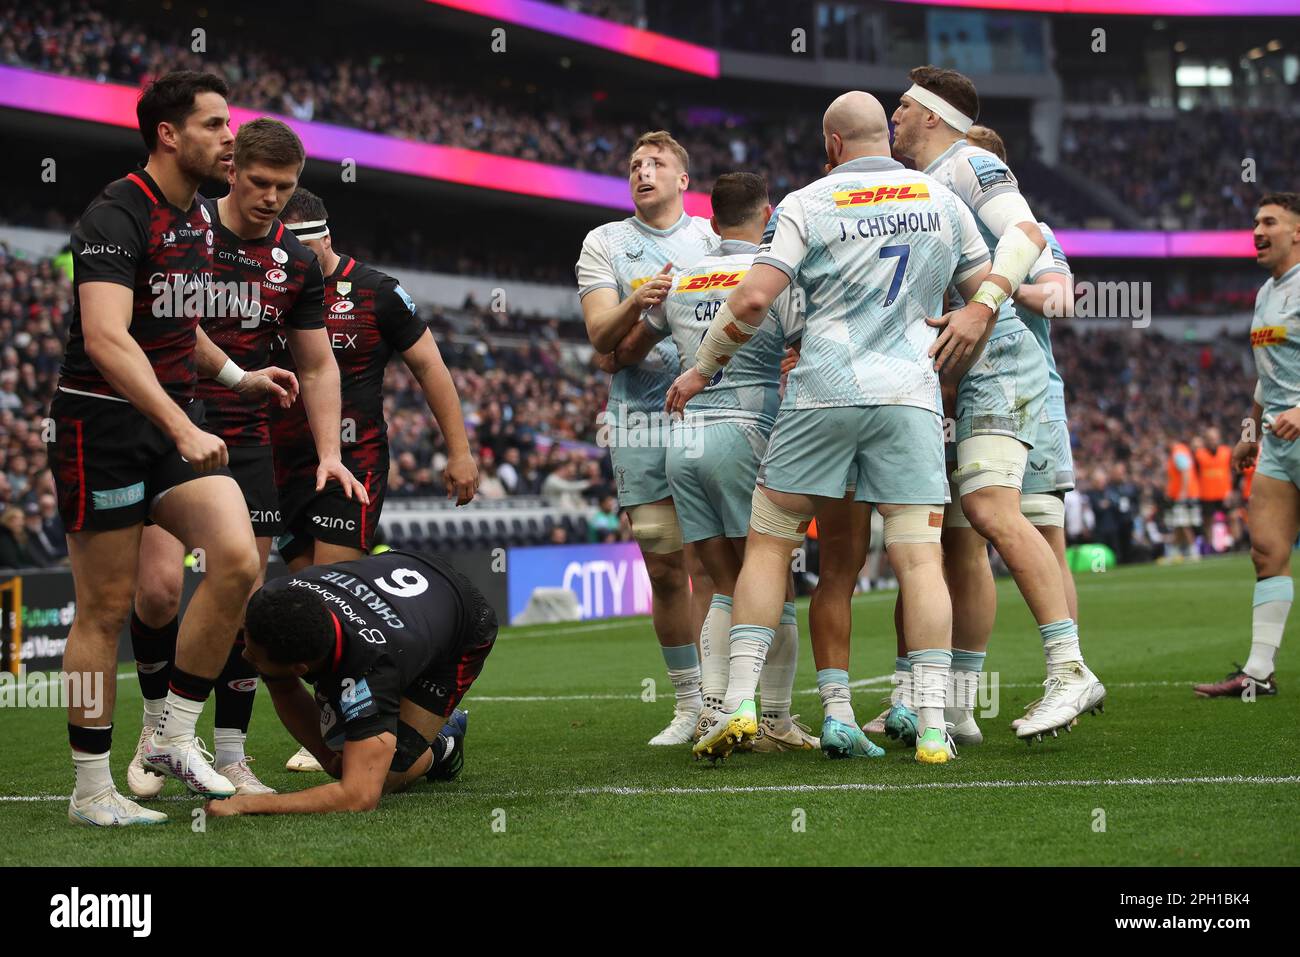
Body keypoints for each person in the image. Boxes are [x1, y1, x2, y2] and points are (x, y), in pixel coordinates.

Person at [667, 90, 996, 765]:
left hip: (821, 395)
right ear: (885, 137)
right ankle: (933, 724)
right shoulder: (941, 199)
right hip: (908, 396)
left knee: (768, 545)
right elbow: (986, 292)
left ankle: (739, 705)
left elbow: (755, 296)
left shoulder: (807, 202)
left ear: (833, 145)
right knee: (917, 558)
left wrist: (702, 368)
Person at [49, 71, 296, 826]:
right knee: (103, 609)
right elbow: (105, 336)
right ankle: (92, 787)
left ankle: (171, 736)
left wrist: (235, 374)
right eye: (216, 125)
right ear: (168, 133)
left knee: (238, 558)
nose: (230, 137)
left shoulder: (192, 218)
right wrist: (183, 424)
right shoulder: (114, 213)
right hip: (103, 427)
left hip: (165, 420)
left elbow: (175, 319)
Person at [123, 117, 365, 801]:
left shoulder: (293, 260)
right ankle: (156, 731)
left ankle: (228, 752)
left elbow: (317, 367)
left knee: (244, 598)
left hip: (246, 437)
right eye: (259, 183)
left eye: (284, 187)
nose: (270, 197)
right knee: (160, 590)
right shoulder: (181, 230)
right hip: (167, 425)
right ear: (232, 171)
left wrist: (328, 453)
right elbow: (161, 322)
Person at [890, 66, 1105, 743]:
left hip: (1001, 361)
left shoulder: (970, 163)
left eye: (902, 106)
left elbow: (1031, 238)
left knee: (992, 511)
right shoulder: (924, 184)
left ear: (931, 115)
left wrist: (995, 302)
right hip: (949, 372)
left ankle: (1069, 670)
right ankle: (943, 704)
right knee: (952, 533)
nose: (893, 116)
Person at [601, 172, 815, 752]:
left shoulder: (680, 279)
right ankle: (772, 719)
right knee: (770, 580)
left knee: (723, 582)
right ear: (767, 215)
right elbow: (807, 347)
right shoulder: (774, 279)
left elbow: (624, 353)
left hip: (682, 441)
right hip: (746, 435)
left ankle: (712, 710)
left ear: (711, 221)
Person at [576, 130, 717, 745]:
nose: (643, 171)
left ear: (684, 181)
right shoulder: (604, 241)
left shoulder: (712, 241)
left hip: (710, 412)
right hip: (638, 417)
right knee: (662, 565)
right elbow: (601, 338)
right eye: (634, 164)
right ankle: (688, 705)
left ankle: (722, 698)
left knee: (710, 559)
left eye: (657, 164)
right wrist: (639, 301)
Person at [272, 187, 479, 572]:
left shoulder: (377, 292)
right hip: (284, 461)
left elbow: (430, 367)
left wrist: (459, 451)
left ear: (326, 238)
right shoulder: (275, 289)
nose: (297, 263)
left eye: (305, 250)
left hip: (354, 458)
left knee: (330, 588)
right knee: (299, 597)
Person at [204, 549, 494, 816]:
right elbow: (283, 685)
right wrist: (327, 757)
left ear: (300, 667)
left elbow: (359, 797)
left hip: (464, 621)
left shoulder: (371, 669)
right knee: (346, 761)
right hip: (404, 579)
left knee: (385, 776)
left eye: (254, 656)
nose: (244, 655)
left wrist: (252, 805)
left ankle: (446, 741)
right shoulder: (272, 602)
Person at [1194, 192, 1300, 698]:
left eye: (1270, 222)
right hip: (1279, 443)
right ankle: (1258, 673)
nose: (1257, 231)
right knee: (1266, 551)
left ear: (1297, 232)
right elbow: (1268, 374)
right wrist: (1248, 432)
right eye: (1256, 222)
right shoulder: (1265, 294)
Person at [1195, 427, 1232, 553]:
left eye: (1215, 438)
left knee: (1233, 516)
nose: (1213, 441)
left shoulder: (1227, 452)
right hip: (1206, 494)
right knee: (1208, 522)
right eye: (1210, 439)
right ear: (1205, 440)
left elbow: (1234, 471)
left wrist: (1232, 490)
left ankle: (1234, 543)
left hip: (1224, 493)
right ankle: (1210, 547)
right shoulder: (1198, 454)